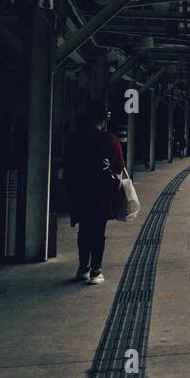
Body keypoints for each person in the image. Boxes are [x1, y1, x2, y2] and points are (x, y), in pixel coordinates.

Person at [64, 103, 125, 285]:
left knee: (84, 230)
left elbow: (68, 165)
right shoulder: (110, 139)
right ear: (103, 120)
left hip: (80, 191)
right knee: (98, 231)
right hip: (102, 192)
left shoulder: (74, 139)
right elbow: (119, 166)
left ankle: (83, 268)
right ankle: (96, 271)